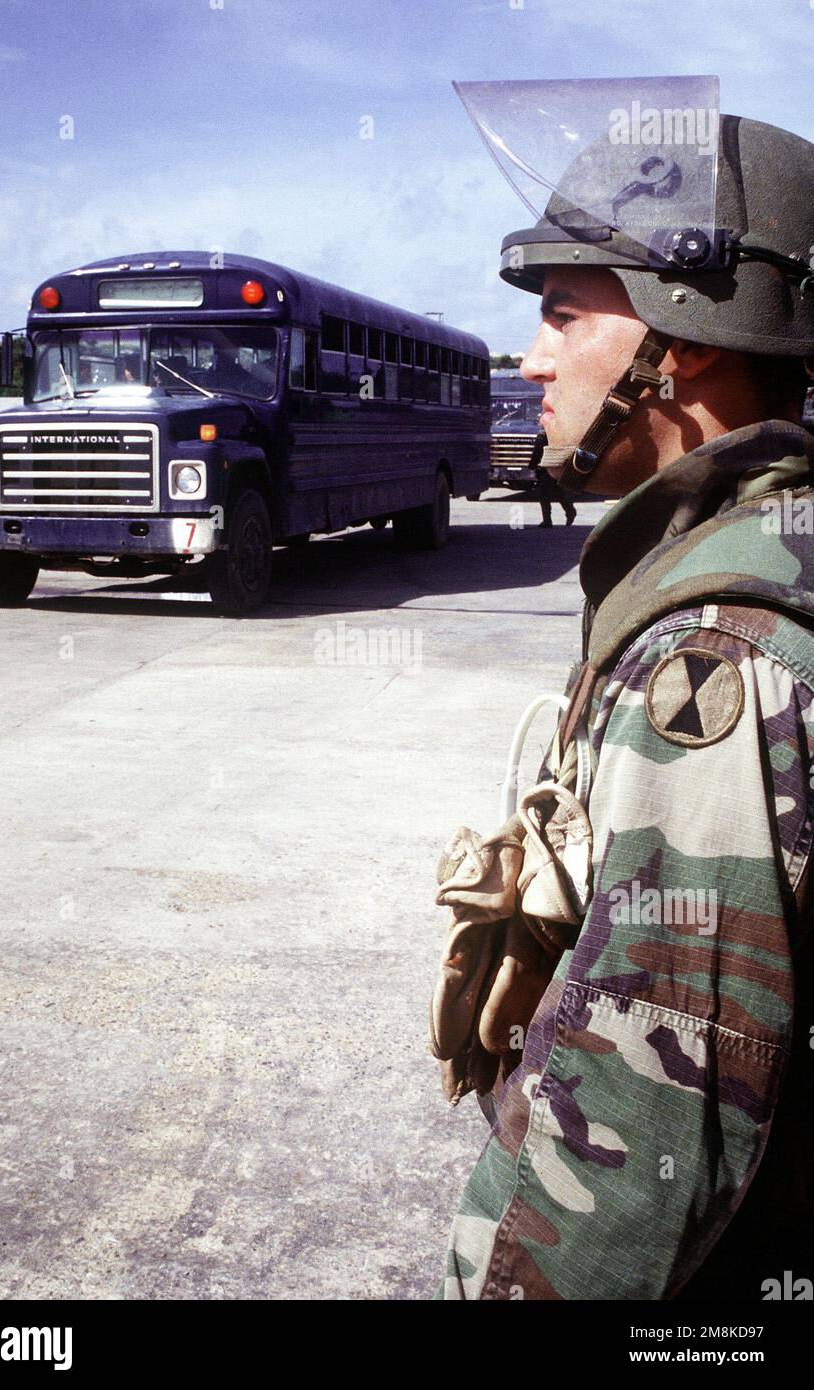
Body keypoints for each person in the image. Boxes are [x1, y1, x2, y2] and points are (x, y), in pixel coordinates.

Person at [436, 81, 814, 1300]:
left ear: (679, 336)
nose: (532, 358)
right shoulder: (770, 550)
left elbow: (653, 1102)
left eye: (559, 315)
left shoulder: (713, 651)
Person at [531, 430, 576, 526]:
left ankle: (547, 520)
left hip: (546, 469)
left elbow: (537, 453)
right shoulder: (561, 435)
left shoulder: (541, 438)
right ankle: (569, 511)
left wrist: (532, 465)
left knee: (544, 495)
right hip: (558, 467)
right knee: (558, 493)